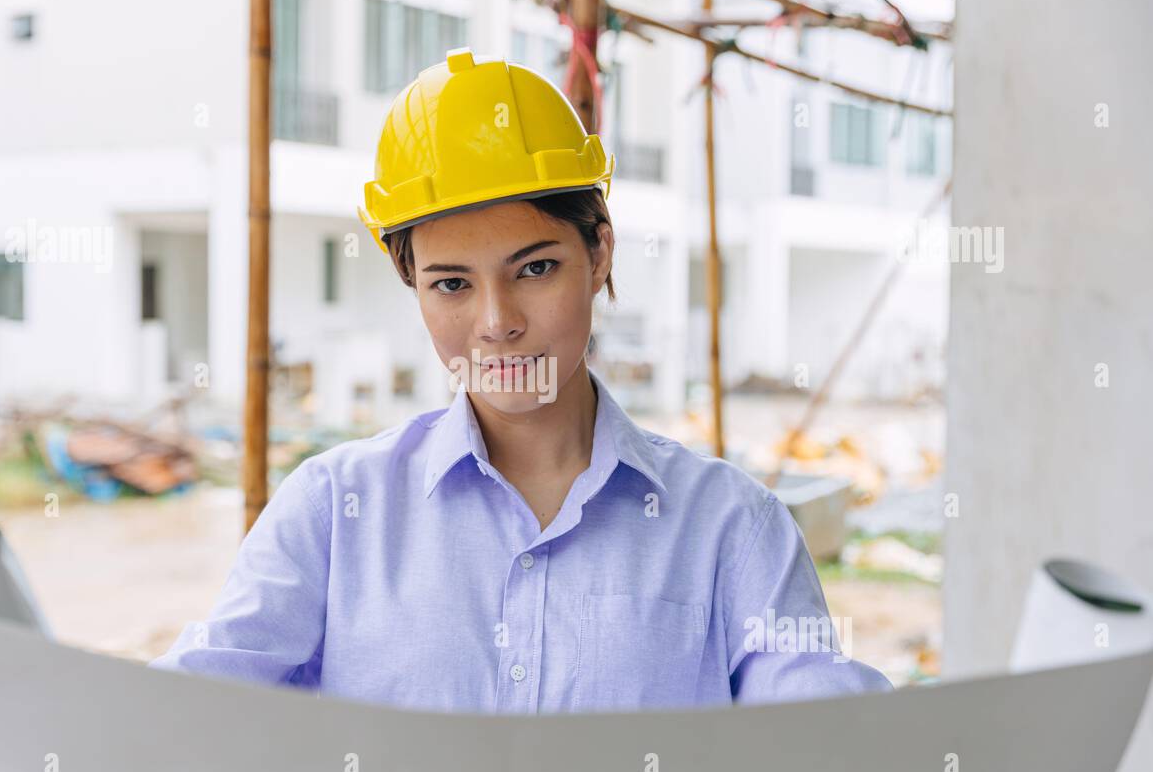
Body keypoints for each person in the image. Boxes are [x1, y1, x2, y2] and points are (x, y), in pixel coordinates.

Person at [149, 48, 892, 713]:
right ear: (411, 282)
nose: (497, 322)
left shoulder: (730, 528)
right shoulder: (334, 516)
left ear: (599, 253)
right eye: (450, 285)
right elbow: (182, 715)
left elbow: (824, 740)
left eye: (534, 269)